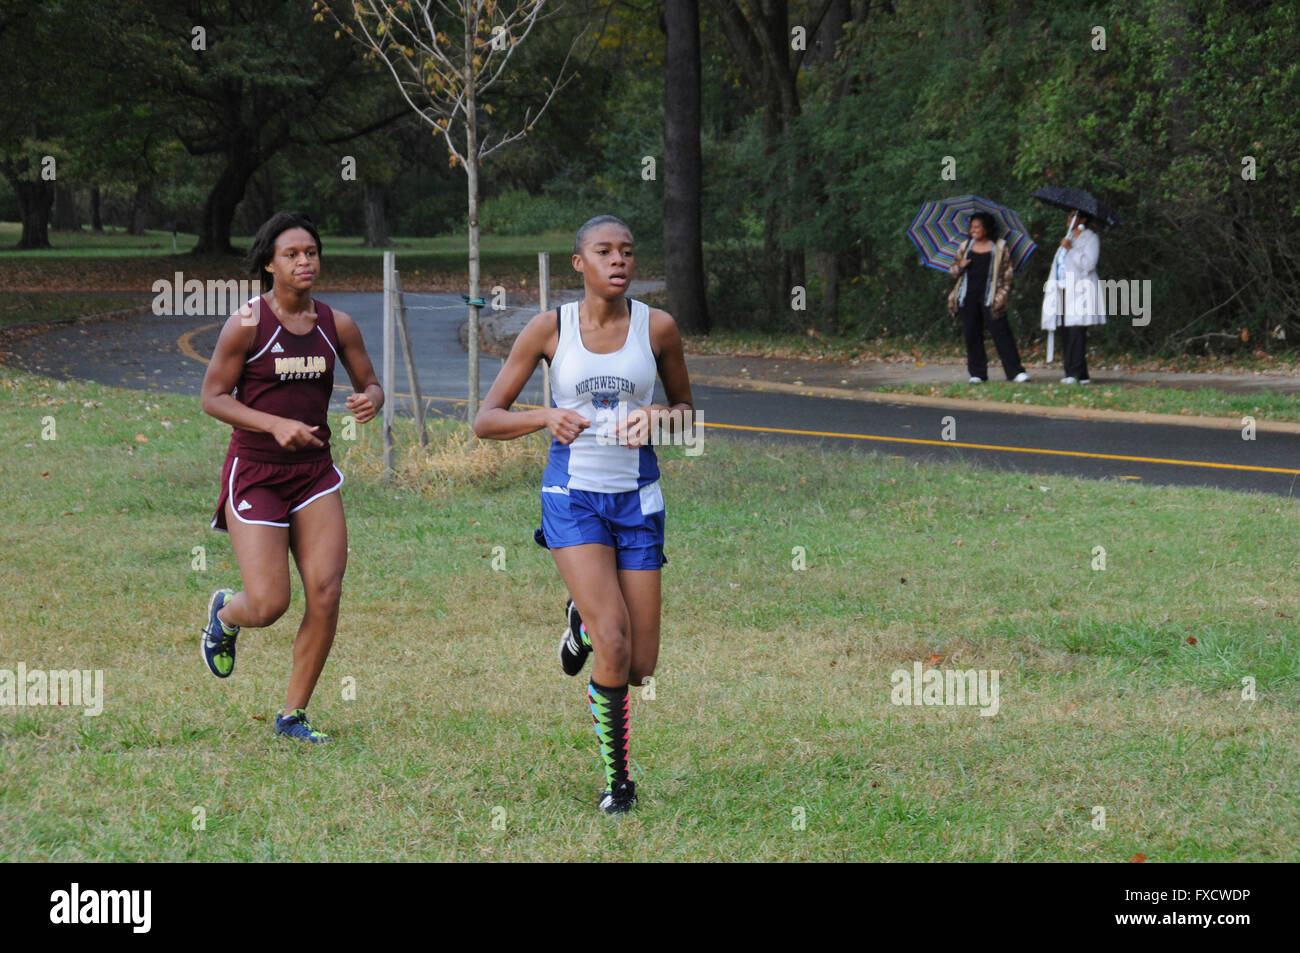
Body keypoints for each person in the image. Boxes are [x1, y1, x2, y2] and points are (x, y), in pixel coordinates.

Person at [473, 214, 695, 815]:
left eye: (627, 251)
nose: (618, 260)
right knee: (615, 646)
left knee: (640, 665)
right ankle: (618, 783)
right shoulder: (550, 329)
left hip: (638, 498)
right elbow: (486, 419)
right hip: (572, 497)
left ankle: (581, 620)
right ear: (580, 263)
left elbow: (687, 413)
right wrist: (544, 417)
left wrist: (658, 419)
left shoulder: (659, 329)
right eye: (604, 251)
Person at [198, 211, 383, 743]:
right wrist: (273, 423)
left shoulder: (337, 324)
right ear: (268, 264)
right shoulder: (248, 324)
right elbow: (212, 397)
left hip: (314, 474)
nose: (305, 261)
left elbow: (371, 383)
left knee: (325, 592)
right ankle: (227, 615)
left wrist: (368, 400)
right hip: (256, 472)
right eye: (292, 254)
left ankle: (292, 716)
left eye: (311, 252)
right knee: (269, 603)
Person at [948, 211, 1029, 384]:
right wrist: (960, 266)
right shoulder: (965, 246)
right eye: (971, 227)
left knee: (1002, 334)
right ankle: (977, 374)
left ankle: (1015, 372)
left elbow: (1008, 277)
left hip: (991, 298)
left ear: (986, 228)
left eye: (977, 227)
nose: (973, 230)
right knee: (972, 334)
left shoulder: (999, 247)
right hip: (968, 297)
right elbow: (953, 272)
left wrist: (1001, 297)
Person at [1041, 209, 1105, 383]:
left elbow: (1089, 264)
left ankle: (1073, 374)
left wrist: (1071, 249)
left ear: (1082, 219)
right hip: (1062, 291)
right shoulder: (1067, 238)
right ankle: (1080, 374)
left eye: (1073, 215)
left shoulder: (1090, 238)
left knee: (1077, 331)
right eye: (1069, 215)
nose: (1068, 219)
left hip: (1080, 291)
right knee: (1066, 332)